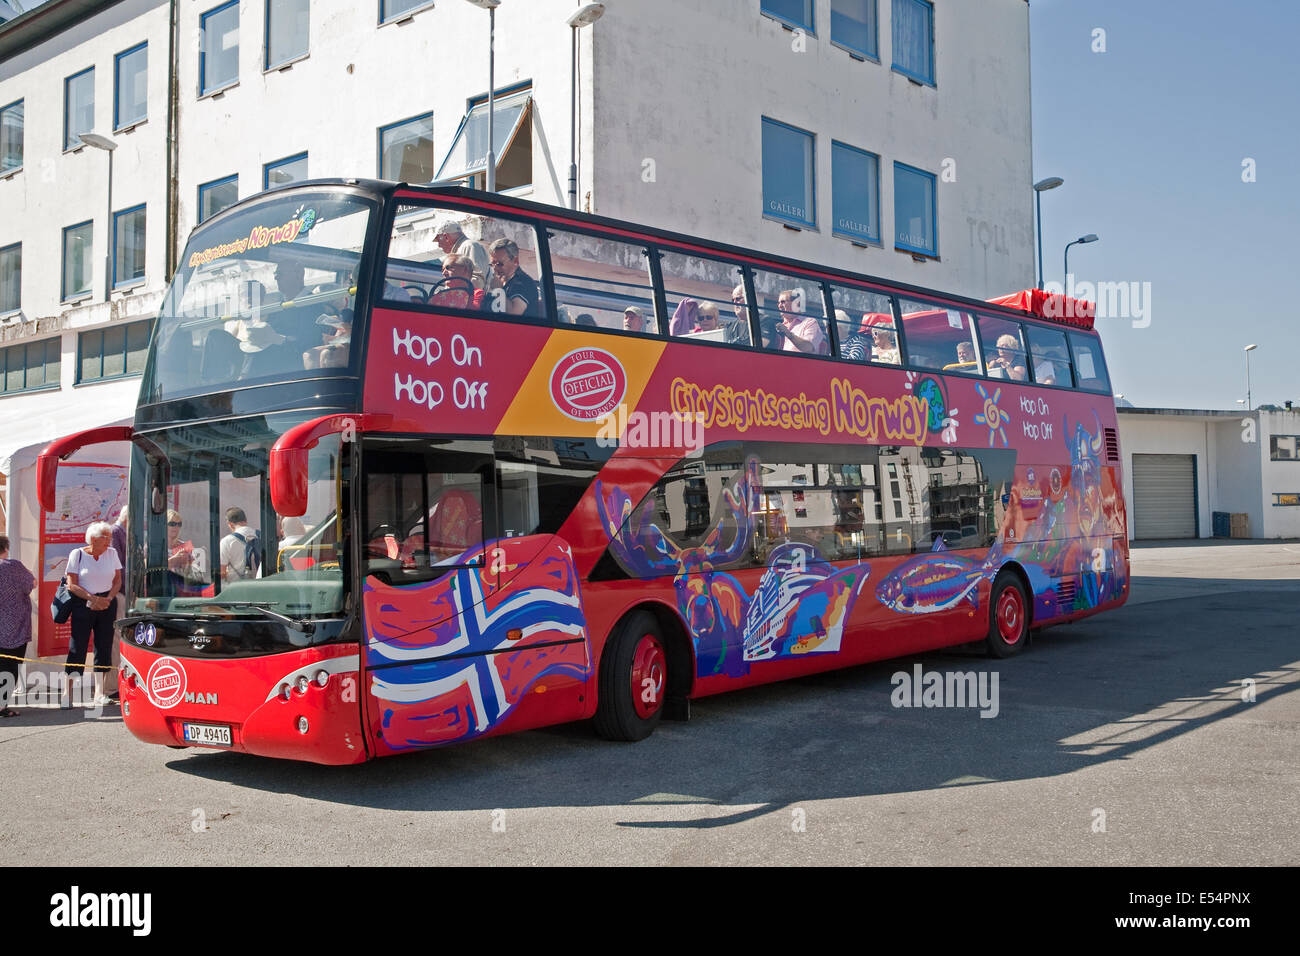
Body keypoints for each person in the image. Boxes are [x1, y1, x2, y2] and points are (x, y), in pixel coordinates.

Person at [64, 522, 122, 707]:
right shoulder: (78, 554)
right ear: (94, 540)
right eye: (106, 539)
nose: (109, 543)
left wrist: (109, 598)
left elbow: (118, 580)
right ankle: (68, 693)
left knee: (103, 646)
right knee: (77, 647)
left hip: (107, 603)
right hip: (83, 602)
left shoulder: (111, 553)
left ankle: (99, 692)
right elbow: (71, 583)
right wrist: (92, 599)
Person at [0, 535, 36, 718]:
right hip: (13, 628)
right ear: (5, 548)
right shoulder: (12, 566)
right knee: (9, 667)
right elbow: (32, 583)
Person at [486, 238, 540, 317]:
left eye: (499, 264)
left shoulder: (524, 283)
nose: (495, 268)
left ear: (515, 261)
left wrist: (498, 291)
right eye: (492, 264)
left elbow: (514, 313)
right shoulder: (500, 280)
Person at [434, 219, 489, 285]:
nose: (439, 245)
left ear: (446, 237)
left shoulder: (469, 246)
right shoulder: (459, 250)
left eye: (438, 240)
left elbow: (477, 279)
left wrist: (458, 292)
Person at [166, 510, 208, 595]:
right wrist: (173, 561)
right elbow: (148, 570)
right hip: (163, 592)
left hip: (182, 595)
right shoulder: (154, 546)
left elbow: (199, 578)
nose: (176, 527)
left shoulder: (186, 546)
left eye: (179, 524)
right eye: (172, 524)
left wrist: (190, 564)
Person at [773, 289, 828, 355]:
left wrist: (788, 333)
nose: (779, 306)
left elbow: (808, 348)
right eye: (778, 303)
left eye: (783, 302)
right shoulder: (780, 327)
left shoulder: (809, 323)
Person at [220, 508, 261, 582]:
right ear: (245, 521)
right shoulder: (261, 536)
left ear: (230, 524)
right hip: (262, 586)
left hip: (236, 589)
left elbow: (222, 572)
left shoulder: (227, 541)